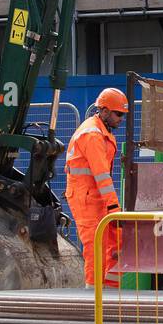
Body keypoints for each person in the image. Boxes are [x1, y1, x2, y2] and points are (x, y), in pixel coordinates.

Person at [65, 87, 127, 289]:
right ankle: (93, 295)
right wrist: (114, 208)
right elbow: (102, 176)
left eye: (123, 115)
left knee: (115, 243)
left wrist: (112, 207)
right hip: (86, 199)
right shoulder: (92, 134)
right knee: (95, 246)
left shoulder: (102, 130)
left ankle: (108, 292)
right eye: (118, 114)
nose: (121, 119)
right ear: (105, 110)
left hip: (95, 197)